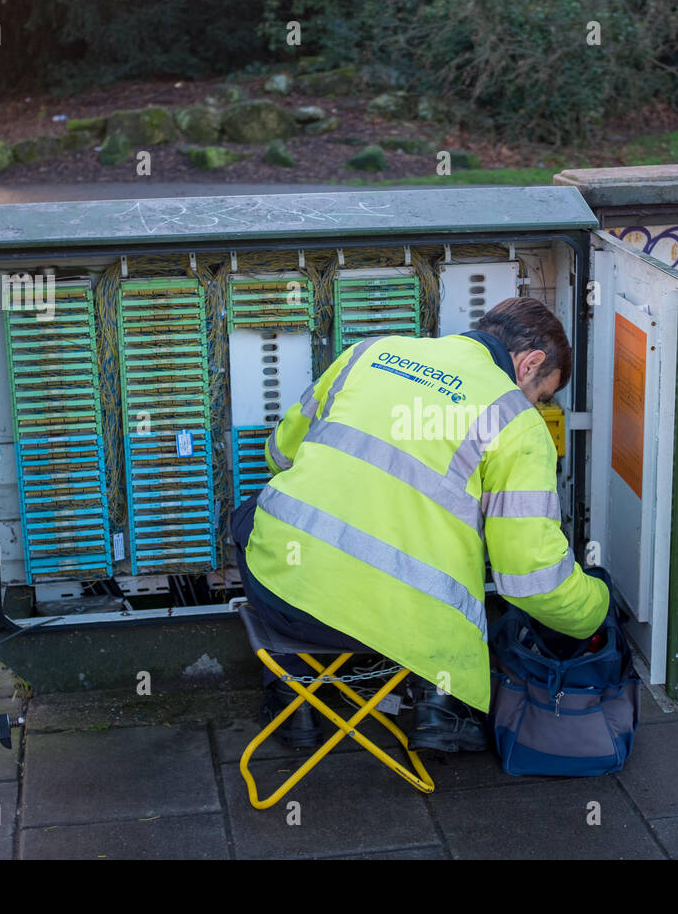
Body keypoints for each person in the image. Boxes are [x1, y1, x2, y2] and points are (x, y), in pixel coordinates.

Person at [232, 296, 609, 750]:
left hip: (282, 599)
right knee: (457, 551)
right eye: (542, 396)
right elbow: (533, 580)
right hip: (398, 629)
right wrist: (595, 608)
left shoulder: (367, 352)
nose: (538, 407)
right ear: (530, 364)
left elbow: (278, 454)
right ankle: (440, 703)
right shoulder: (516, 420)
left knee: (252, 515)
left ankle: (294, 694)